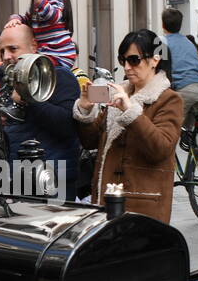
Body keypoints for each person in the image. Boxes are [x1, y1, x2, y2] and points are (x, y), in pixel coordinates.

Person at [73, 29, 182, 221]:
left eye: (134, 60)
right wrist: (85, 108)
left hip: (142, 208)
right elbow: (91, 142)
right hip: (106, 201)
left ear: (155, 60)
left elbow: (161, 149)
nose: (127, 67)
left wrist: (131, 112)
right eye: (122, 60)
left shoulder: (169, 99)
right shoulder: (118, 92)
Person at [0, 21, 80, 200]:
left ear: (33, 46)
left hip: (53, 181)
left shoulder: (60, 76)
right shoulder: (5, 79)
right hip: (17, 180)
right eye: (2, 50)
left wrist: (28, 98)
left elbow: (67, 125)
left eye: (13, 49)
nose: (6, 56)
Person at [4, 0, 81, 88]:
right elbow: (27, 19)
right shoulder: (37, 6)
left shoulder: (57, 2)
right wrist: (15, 18)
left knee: (33, 73)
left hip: (59, 55)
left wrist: (40, 2)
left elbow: (53, 15)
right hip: (46, 54)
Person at [160, 8, 198, 131]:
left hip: (184, 90)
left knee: (168, 131)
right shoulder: (189, 42)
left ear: (162, 24)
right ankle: (193, 148)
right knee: (187, 131)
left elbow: (158, 67)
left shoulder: (161, 41)